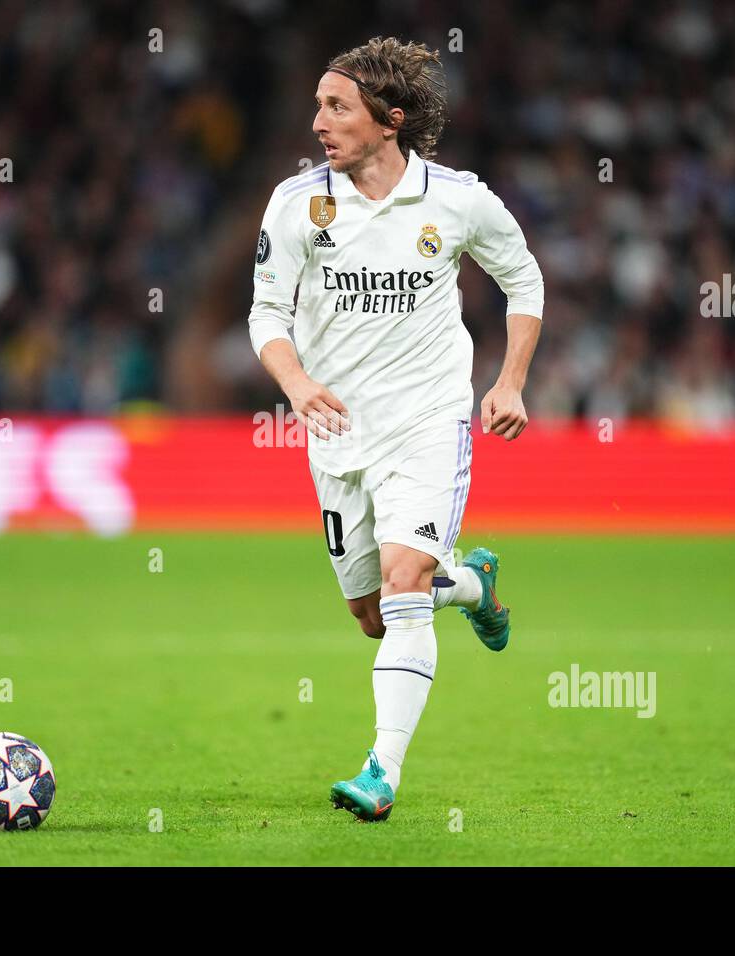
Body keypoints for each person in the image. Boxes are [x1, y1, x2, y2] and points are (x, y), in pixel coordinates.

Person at [247, 36, 545, 822]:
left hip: (428, 421)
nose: (319, 121)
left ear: (390, 120)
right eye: (317, 105)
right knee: (371, 614)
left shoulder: (458, 200)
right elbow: (267, 312)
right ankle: (476, 585)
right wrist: (298, 382)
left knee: (405, 586)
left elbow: (523, 278)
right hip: (340, 439)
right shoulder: (297, 203)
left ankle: (381, 773)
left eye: (337, 106)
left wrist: (509, 380)